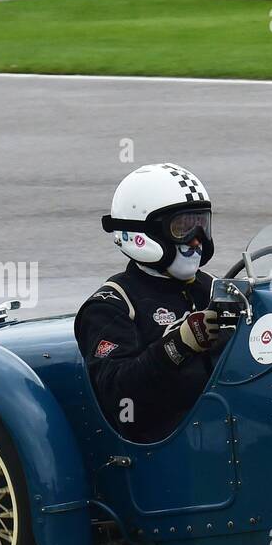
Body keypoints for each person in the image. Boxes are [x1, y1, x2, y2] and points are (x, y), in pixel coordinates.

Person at [74, 163, 237, 443]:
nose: (196, 240)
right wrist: (179, 344)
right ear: (143, 232)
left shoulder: (215, 288)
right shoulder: (111, 305)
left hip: (228, 423)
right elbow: (120, 400)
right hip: (169, 443)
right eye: (183, 227)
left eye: (201, 224)